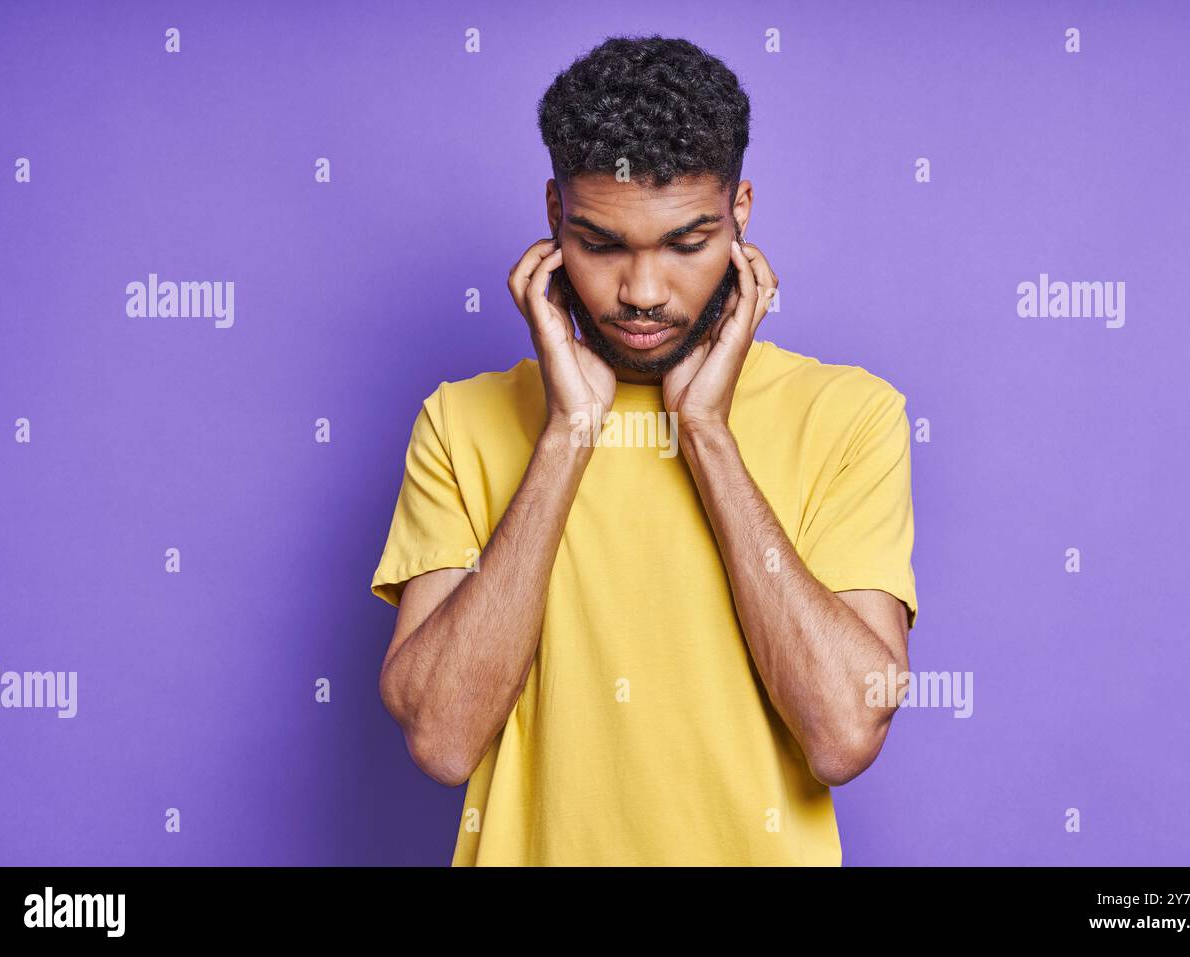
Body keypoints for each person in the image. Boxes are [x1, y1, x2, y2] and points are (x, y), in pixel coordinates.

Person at [371, 34, 918, 866]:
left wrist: (706, 434)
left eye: (686, 244)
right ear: (554, 216)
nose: (643, 292)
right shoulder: (462, 421)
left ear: (740, 213)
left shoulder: (850, 415)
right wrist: (566, 435)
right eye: (602, 244)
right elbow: (443, 741)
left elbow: (844, 733)